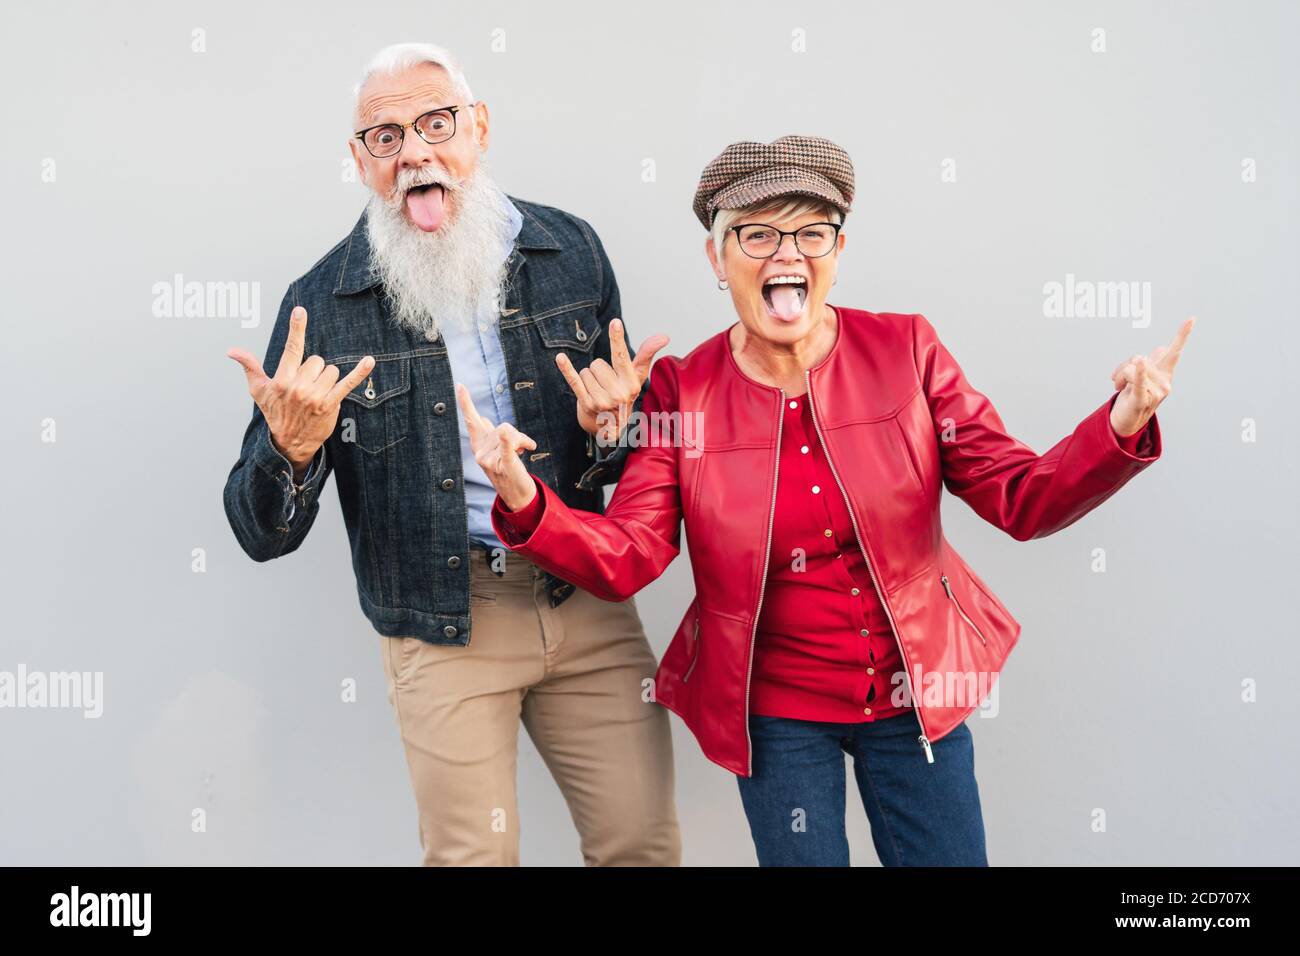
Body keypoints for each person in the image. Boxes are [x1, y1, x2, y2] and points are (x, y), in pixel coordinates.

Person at [461, 134, 1192, 866]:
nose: (788, 254)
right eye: (758, 234)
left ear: (837, 252)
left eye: (812, 232)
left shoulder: (907, 350)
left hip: (915, 695)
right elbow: (631, 553)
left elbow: (1022, 498)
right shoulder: (684, 389)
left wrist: (1119, 425)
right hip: (777, 714)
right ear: (718, 259)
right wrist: (526, 500)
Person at [222, 42, 678, 866]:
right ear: (358, 162)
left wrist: (618, 433)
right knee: (471, 859)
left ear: (481, 128)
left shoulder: (572, 250)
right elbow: (261, 534)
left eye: (436, 122)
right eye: (385, 136)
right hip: (443, 619)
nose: (415, 152)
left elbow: (631, 462)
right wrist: (288, 452)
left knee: (643, 844)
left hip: (585, 595)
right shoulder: (321, 305)